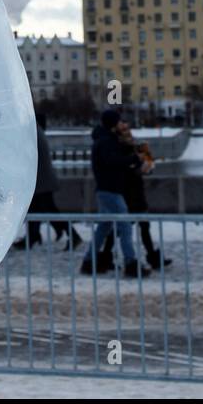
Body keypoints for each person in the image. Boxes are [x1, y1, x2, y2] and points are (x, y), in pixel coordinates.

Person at [80, 109, 149, 278]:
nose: (121, 124)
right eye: (119, 121)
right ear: (113, 124)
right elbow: (112, 162)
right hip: (110, 190)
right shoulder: (106, 142)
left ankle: (89, 262)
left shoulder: (105, 140)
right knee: (125, 225)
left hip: (106, 190)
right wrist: (134, 159)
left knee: (104, 227)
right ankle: (130, 263)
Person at [102, 121, 172, 270]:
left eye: (129, 131)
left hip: (137, 194)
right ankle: (108, 256)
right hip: (128, 194)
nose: (129, 134)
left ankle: (107, 256)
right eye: (125, 132)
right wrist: (138, 165)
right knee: (122, 228)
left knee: (139, 227)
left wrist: (147, 162)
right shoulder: (121, 150)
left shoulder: (134, 148)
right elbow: (125, 169)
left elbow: (145, 169)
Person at [12, 113, 83, 251]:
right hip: (41, 181)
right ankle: (33, 237)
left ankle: (73, 235)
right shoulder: (36, 131)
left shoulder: (32, 133)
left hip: (41, 182)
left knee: (49, 211)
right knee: (35, 210)